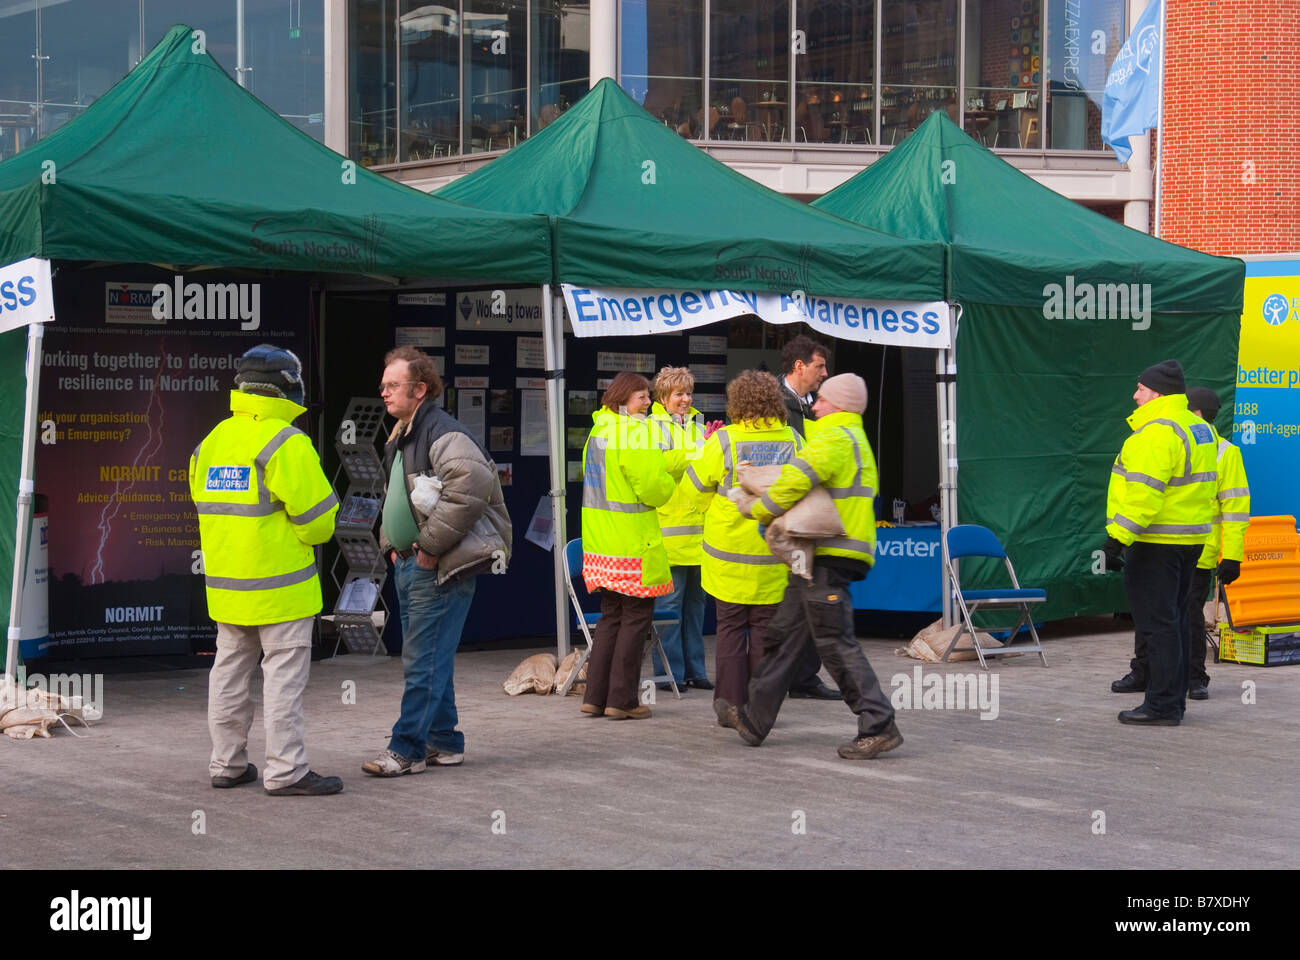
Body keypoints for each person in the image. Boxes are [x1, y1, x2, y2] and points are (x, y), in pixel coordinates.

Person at [713, 373, 902, 760]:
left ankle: (878, 723)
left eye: (822, 401)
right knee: (782, 637)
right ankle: (753, 719)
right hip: (819, 558)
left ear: (839, 404)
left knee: (835, 643)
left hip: (831, 556)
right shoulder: (850, 436)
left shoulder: (835, 437)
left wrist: (757, 508)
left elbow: (795, 481)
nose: (814, 406)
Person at [191, 344, 343, 796]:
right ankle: (286, 772)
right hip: (282, 592)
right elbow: (319, 524)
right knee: (282, 683)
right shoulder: (287, 442)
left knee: (229, 677)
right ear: (287, 388)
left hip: (227, 591)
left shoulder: (212, 440)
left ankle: (227, 765)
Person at [363, 346, 511, 775]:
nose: (384, 393)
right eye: (383, 386)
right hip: (412, 563)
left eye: (393, 386)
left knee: (422, 659)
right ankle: (444, 741)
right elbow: (397, 495)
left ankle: (406, 749)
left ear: (420, 388)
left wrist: (427, 547)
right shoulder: (406, 431)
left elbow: (472, 484)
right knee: (430, 656)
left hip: (436, 568)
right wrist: (392, 544)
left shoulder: (442, 431)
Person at [1110, 386, 1248, 701]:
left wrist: (1232, 556)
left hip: (1197, 550)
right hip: (1160, 542)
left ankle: (1194, 677)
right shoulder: (1171, 439)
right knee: (1151, 614)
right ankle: (1145, 671)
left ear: (1196, 413)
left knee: (1185, 617)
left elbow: (1235, 508)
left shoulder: (1223, 451)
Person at [678, 371, 804, 709]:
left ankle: (730, 704)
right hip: (773, 552)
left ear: (737, 402)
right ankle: (761, 706)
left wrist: (717, 508)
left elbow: (692, 490)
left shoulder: (724, 441)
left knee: (731, 628)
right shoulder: (793, 439)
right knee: (765, 631)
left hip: (728, 554)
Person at [1103, 360, 1217, 725]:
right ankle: (1172, 697)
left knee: (1158, 624)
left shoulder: (1155, 433)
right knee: (1177, 620)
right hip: (1190, 540)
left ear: (1157, 394)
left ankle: (1163, 705)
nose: (1135, 395)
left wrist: (1115, 540)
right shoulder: (1199, 429)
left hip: (1156, 542)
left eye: (1140, 388)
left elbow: (1144, 496)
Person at [579, 371, 676, 720]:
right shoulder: (634, 432)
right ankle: (622, 701)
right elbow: (654, 487)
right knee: (636, 620)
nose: (648, 402)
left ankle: (595, 696)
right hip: (632, 542)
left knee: (609, 619)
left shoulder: (599, 430)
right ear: (622, 400)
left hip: (601, 543)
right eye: (642, 396)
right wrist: (671, 481)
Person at [647, 366, 720, 691]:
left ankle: (696, 671)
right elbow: (662, 465)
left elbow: (706, 466)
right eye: (679, 394)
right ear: (663, 397)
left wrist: (711, 447)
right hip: (669, 531)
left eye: (688, 393)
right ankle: (668, 674)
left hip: (700, 532)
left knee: (695, 607)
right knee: (668, 608)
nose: (686, 399)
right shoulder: (649, 427)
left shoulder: (699, 426)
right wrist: (700, 449)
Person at [776, 335, 839, 700]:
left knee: (811, 593)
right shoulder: (773, 405)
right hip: (785, 515)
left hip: (814, 513)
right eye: (819, 366)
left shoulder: (819, 406)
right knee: (788, 601)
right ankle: (780, 677)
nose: (824, 373)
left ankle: (804, 677)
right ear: (799, 366)